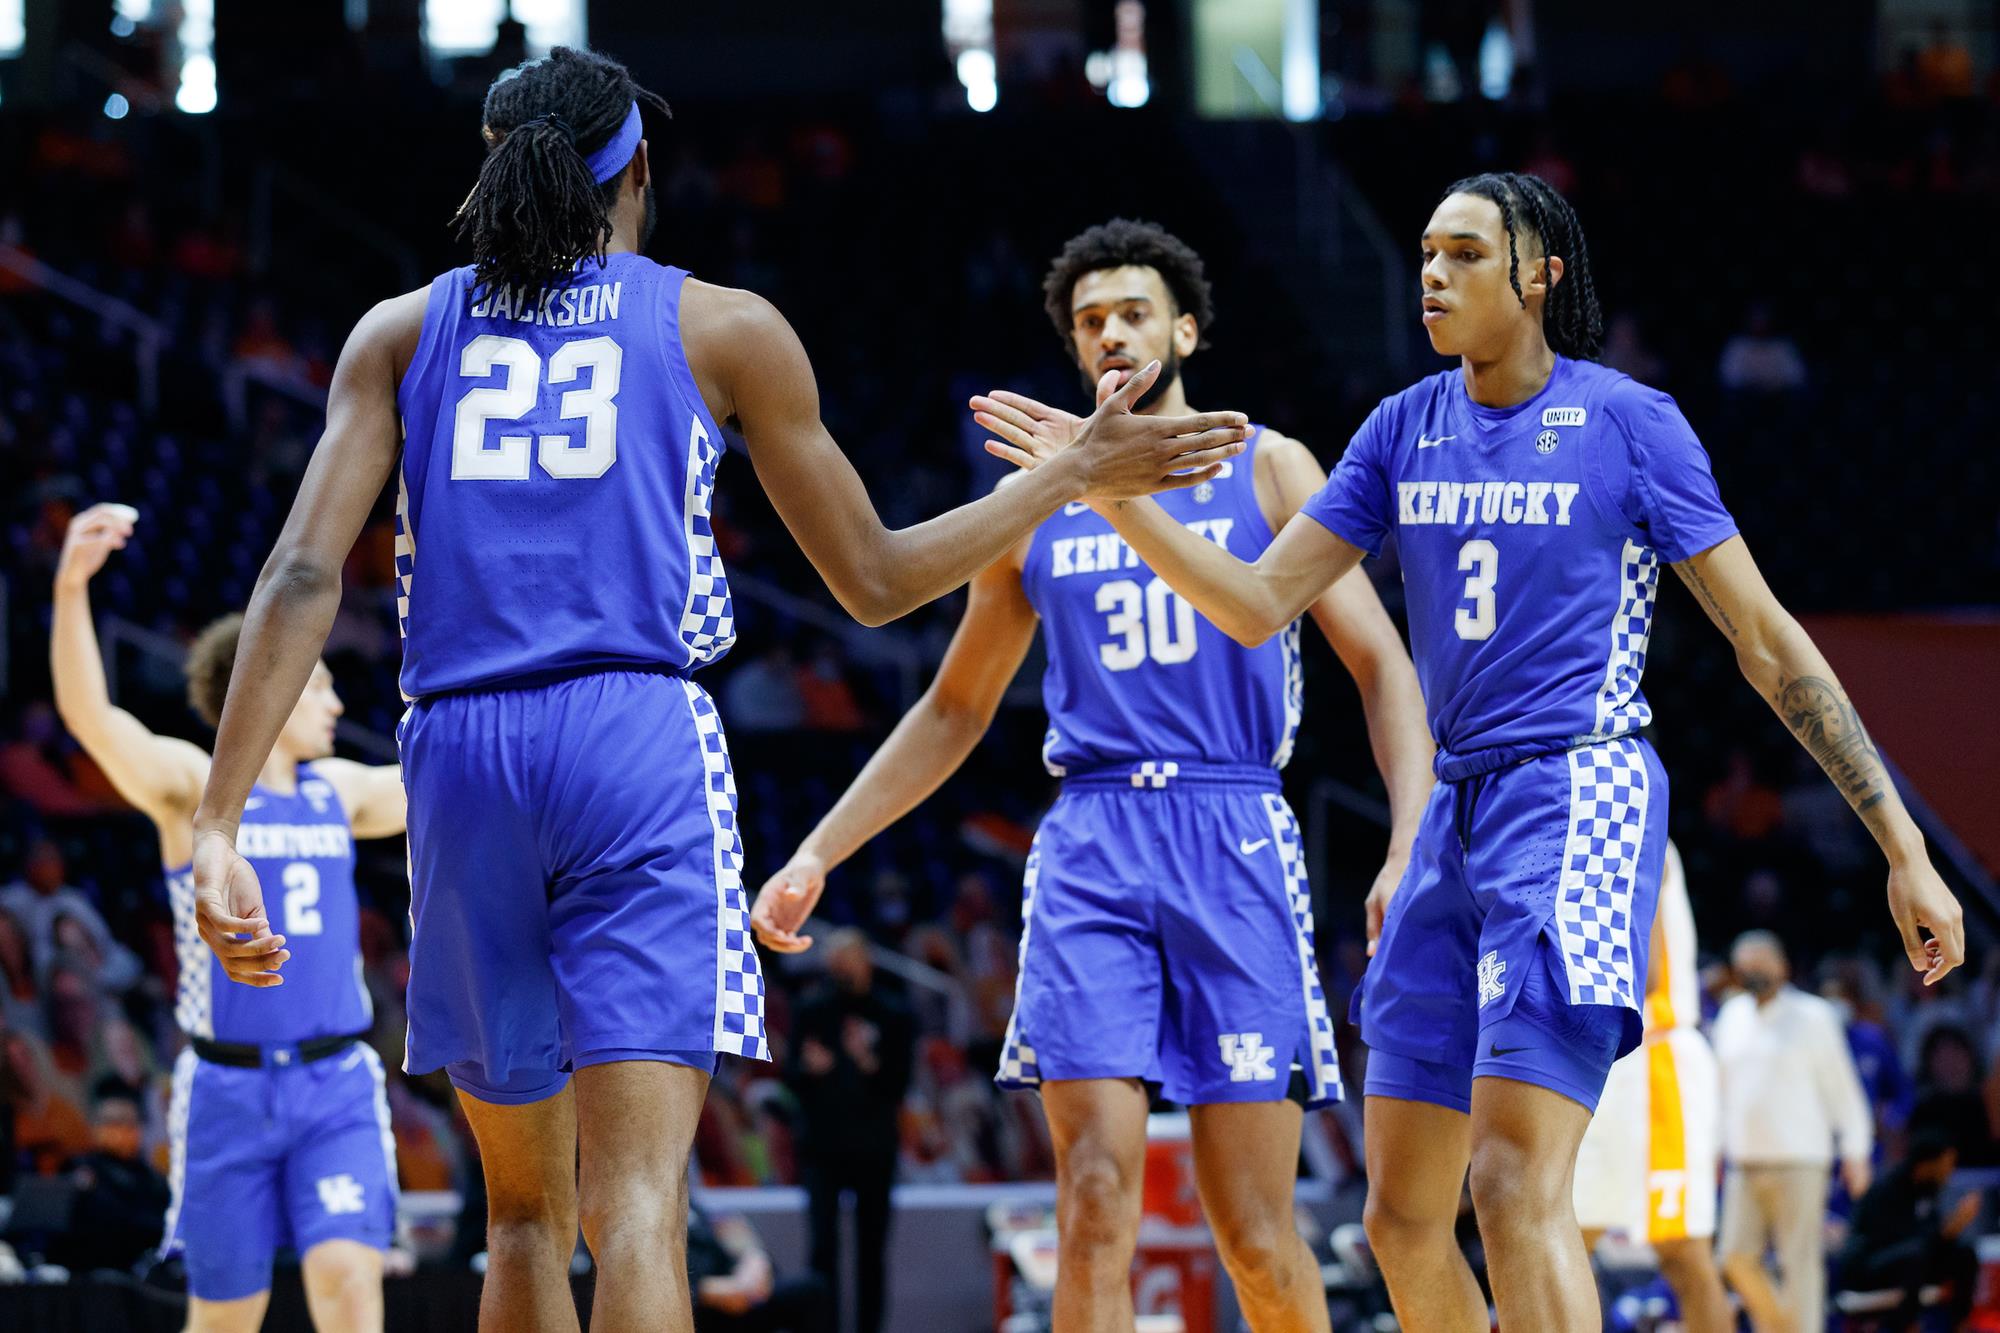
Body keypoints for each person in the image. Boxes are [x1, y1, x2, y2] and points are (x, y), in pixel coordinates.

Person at [179, 46, 1248, 1333]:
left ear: (495, 165)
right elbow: (874, 579)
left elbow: (300, 573)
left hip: (457, 750)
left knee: (519, 1219)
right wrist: (1065, 475)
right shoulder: (717, 323)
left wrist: (218, 819)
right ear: (637, 169)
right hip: (630, 739)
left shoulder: (399, 331)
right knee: (634, 1208)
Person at [976, 171, 1965, 1332]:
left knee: (1508, 1184)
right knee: (1399, 1221)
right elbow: (1250, 602)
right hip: (1454, 807)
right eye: (1425, 255)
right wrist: (1106, 488)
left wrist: (1899, 842)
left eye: (1462, 255)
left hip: (1576, 786)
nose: (1431, 276)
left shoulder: (1627, 422)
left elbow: (1762, 638)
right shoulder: (1399, 427)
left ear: (1539, 274)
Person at [755, 218, 1433, 1331]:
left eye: (1130, 311)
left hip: (1235, 835)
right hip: (1093, 842)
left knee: (1256, 1233)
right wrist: (819, 848)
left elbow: (1382, 669)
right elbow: (954, 706)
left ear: (1185, 327)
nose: (1109, 332)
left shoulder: (1268, 465)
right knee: (1092, 1197)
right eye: (1087, 321)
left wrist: (1405, 839)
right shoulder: (1038, 502)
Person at [51, 504, 406, 1333]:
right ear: (270, 682)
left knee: (353, 1294)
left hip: (336, 1084)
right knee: (224, 1318)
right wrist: (71, 587)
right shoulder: (195, 788)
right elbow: (92, 722)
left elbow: (441, 779)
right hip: (226, 1088)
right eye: (316, 682)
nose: (332, 700)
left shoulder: (339, 790)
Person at [1574, 843, 1730, 1333]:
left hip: (1653, 1059)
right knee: (1566, 1239)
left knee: (1682, 1252)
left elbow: (1646, 970)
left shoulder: (1639, 827)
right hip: (1601, 1057)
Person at [1712, 930, 1874, 1333]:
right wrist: (1711, 1150)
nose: (1754, 969)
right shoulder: (1730, 1017)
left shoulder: (1814, 1016)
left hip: (1801, 1159)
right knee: (1733, 1257)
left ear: (1782, 966)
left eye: (1762, 960)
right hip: (1744, 1160)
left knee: (1798, 1264)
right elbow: (1719, 1093)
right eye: (1746, 962)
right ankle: (1785, 1328)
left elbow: (1842, 1089)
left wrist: (1855, 1149)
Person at [784, 931, 913, 1333]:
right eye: (834, 963)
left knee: (871, 1252)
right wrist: (809, 1069)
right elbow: (790, 1075)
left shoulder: (894, 1014)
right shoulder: (811, 1010)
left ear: (866, 962)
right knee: (823, 1249)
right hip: (823, 1149)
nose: (841, 970)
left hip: (874, 1150)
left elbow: (900, 1085)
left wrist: (869, 1061)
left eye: (848, 961)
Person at [1838, 1129, 1980, 1328]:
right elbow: (1896, 1240)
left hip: (1912, 1265)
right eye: (1946, 1163)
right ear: (1927, 1164)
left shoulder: (1929, 1191)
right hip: (1870, 1267)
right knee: (1916, 1256)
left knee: (1965, 1252)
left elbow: (1930, 1240)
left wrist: (1951, 1231)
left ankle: (1960, 1324)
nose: (1950, 1170)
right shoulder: (1886, 1191)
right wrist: (1944, 1232)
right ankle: (1907, 1326)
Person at [52, 1088, 172, 1275]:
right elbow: (107, 1217)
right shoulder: (79, 1167)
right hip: (93, 1276)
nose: (120, 1129)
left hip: (145, 1276)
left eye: (127, 1122)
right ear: (94, 1125)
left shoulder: (151, 1177)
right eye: (111, 1122)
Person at [688, 1194, 831, 1333]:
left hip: (738, 1281)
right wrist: (728, 1289)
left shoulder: (690, 1203)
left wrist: (755, 1257)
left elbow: (729, 1228)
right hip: (702, 1302)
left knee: (810, 1290)